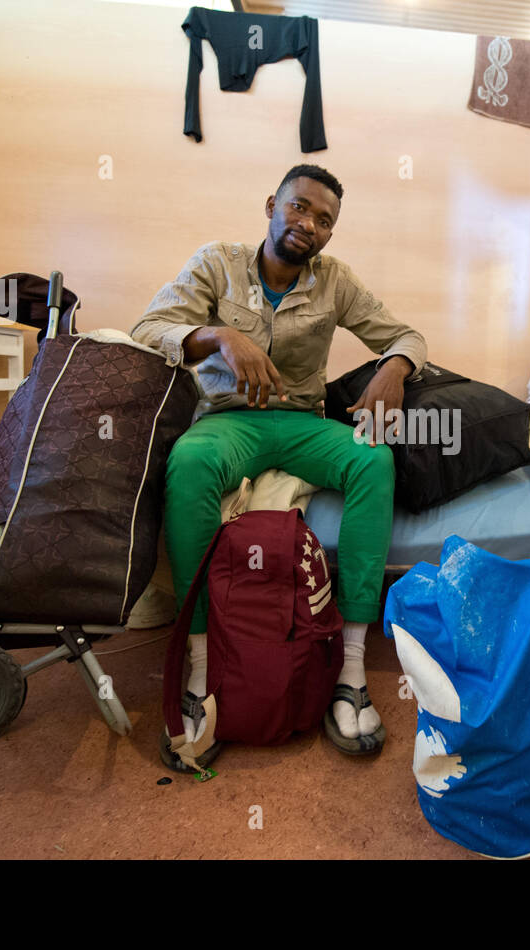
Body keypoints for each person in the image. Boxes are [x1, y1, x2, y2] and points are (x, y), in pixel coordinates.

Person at [131, 164, 427, 768]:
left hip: (301, 423)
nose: (308, 224)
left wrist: (393, 369)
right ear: (272, 203)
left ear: (329, 236)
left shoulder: (334, 281)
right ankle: (202, 668)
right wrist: (218, 337)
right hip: (226, 421)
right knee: (187, 464)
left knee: (373, 460)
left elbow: (407, 336)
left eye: (323, 220)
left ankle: (349, 672)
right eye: (299, 208)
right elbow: (147, 329)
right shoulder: (217, 262)